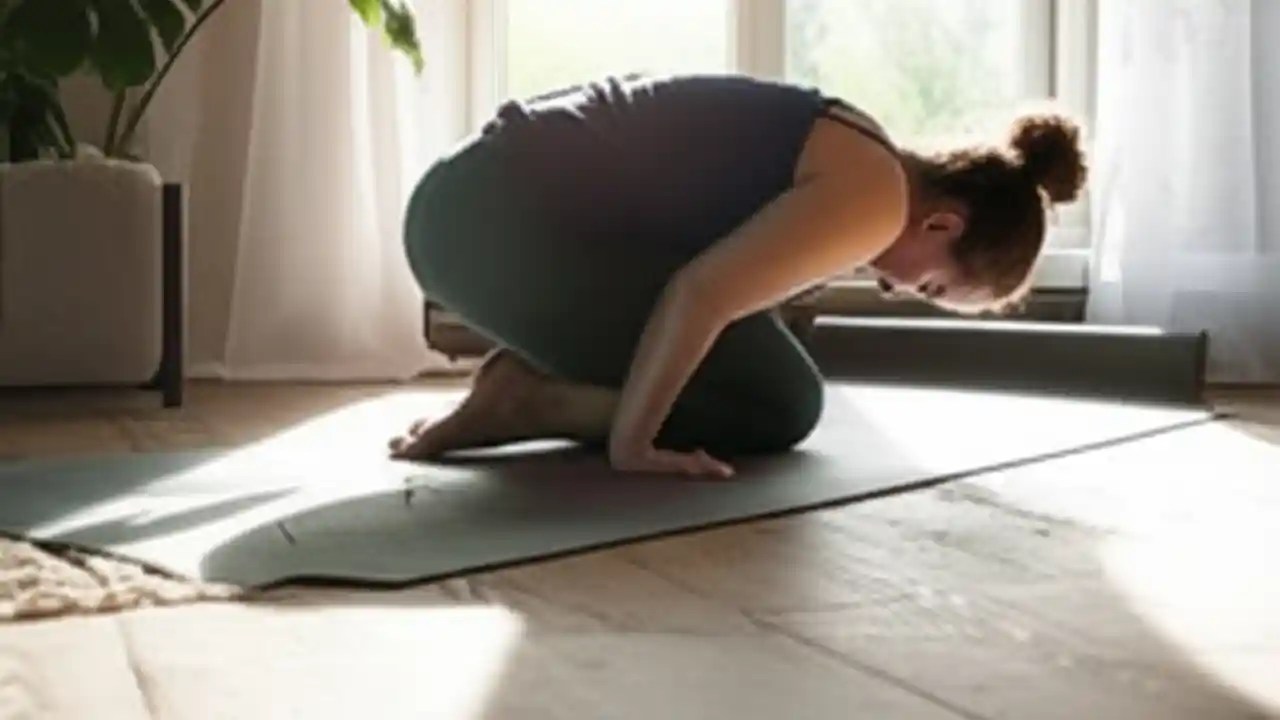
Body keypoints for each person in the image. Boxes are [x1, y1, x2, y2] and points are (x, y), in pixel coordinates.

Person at [389, 73, 1087, 478]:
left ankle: (531, 382)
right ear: (943, 226)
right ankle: (534, 402)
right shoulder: (876, 199)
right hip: (484, 227)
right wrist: (635, 446)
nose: (898, 291)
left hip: (466, 208)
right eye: (930, 287)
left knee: (763, 370)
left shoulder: (861, 151)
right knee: (781, 404)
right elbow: (699, 295)